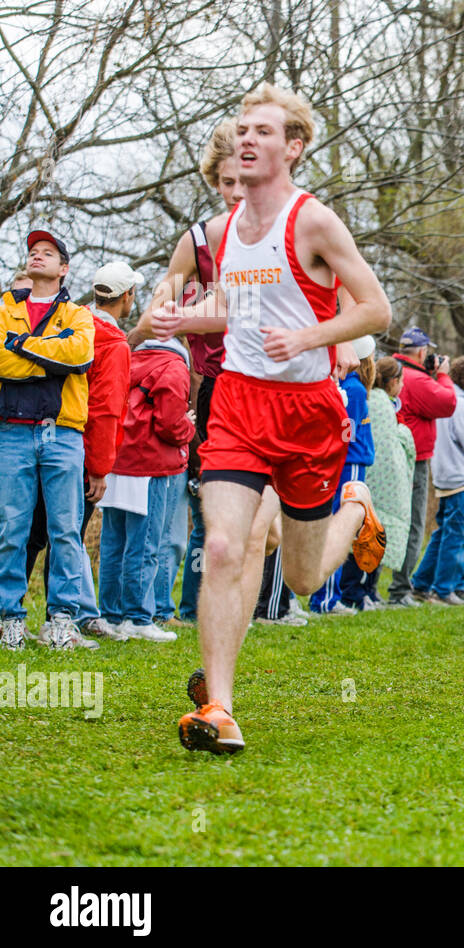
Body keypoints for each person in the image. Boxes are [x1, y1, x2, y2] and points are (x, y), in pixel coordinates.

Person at [150, 83, 391, 753]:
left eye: (264, 131)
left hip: (309, 412)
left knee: (304, 579)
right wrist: (184, 318)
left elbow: (375, 309)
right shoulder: (225, 232)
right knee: (225, 545)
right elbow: (239, 311)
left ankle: (356, 510)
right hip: (238, 403)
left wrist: (312, 339)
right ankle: (219, 708)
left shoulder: (313, 222)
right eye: (242, 129)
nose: (248, 139)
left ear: (294, 146)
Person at [138, 119, 245, 626]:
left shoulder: (281, 235)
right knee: (212, 500)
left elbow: (239, 310)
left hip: (275, 382)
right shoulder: (199, 240)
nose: (235, 192)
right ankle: (197, 605)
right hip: (218, 386)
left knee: (268, 524)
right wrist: (156, 314)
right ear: (214, 181)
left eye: (244, 179)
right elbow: (166, 290)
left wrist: (183, 315)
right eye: (226, 182)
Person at [25, 260, 133, 642]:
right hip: (77, 450)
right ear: (127, 297)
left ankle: (15, 615)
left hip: (35, 434)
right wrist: (100, 467)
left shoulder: (69, 323)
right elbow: (105, 409)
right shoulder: (115, 344)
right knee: (67, 534)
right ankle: (65, 618)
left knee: (30, 532)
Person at [0, 231, 95, 651]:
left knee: (65, 531)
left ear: (64, 268)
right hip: (12, 431)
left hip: (63, 432)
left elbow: (80, 356)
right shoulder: (4, 308)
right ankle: (9, 619)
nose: (38, 256)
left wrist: (20, 348)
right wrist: (48, 359)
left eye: (48, 253)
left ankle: (62, 620)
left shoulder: (79, 315)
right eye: (33, 252)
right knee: (10, 529)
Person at [98, 336, 195, 641]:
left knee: (114, 542)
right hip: (152, 464)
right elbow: (170, 424)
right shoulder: (174, 368)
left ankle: (111, 613)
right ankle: (138, 617)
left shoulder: (129, 360)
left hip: (119, 461)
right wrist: (189, 425)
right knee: (146, 543)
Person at [389, 328, 455, 606]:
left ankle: (387, 586)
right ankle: (401, 588)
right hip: (414, 459)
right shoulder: (416, 379)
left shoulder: (399, 374)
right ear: (421, 352)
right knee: (415, 523)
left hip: (397, 456)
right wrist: (444, 374)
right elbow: (447, 402)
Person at [311, 337, 377, 613]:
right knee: (340, 526)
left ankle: (328, 595)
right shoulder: (355, 390)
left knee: (343, 527)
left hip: (351, 462)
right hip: (349, 463)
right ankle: (326, 598)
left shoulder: (352, 388)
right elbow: (345, 434)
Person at [421, 356, 464, 605]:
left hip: (443, 473)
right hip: (460, 475)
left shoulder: (444, 396)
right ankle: (443, 588)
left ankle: (422, 582)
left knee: (442, 533)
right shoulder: (460, 402)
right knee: (458, 535)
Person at [365, 356, 415, 601]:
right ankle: (360, 591)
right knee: (372, 533)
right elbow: (384, 444)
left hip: (384, 482)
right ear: (393, 381)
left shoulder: (387, 403)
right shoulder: (378, 403)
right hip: (379, 481)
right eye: (401, 381)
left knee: (379, 534)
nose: (403, 386)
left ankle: (370, 591)